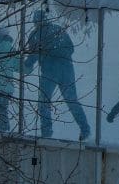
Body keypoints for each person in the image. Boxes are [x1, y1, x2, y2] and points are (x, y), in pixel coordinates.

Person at [23, 9, 91, 141]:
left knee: (44, 102)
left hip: (49, 71)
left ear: (36, 22)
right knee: (72, 100)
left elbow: (33, 55)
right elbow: (71, 49)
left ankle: (46, 133)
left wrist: (26, 65)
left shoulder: (36, 34)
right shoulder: (59, 30)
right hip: (67, 70)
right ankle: (85, 129)